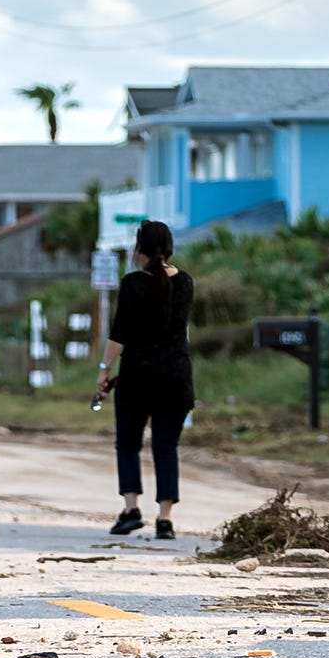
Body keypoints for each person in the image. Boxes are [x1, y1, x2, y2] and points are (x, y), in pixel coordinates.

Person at [98, 219, 192, 541]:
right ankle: (165, 519)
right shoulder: (186, 282)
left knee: (128, 443)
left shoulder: (133, 283)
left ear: (140, 249)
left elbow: (120, 333)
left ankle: (131, 510)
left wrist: (104, 370)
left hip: (138, 378)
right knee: (166, 448)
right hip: (176, 378)